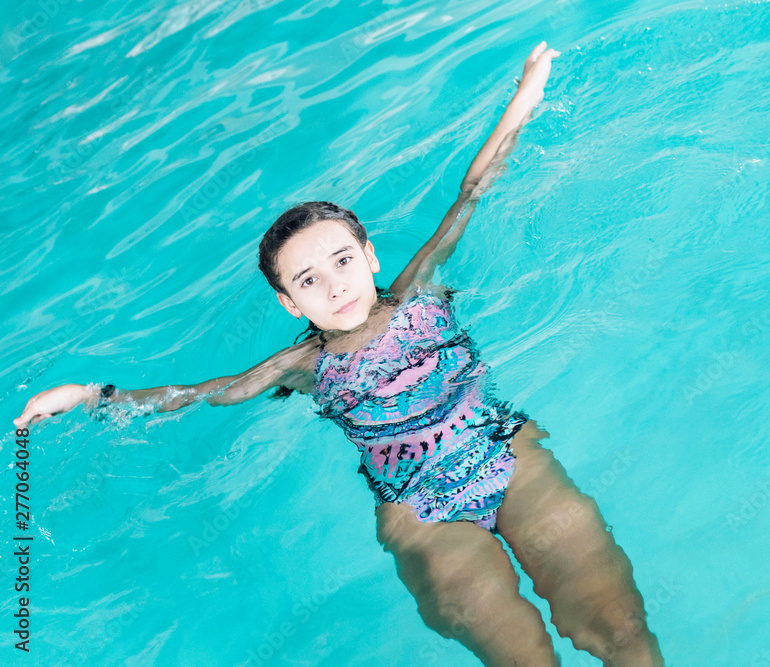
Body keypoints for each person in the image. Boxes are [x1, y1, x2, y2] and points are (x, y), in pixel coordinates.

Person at [14, 41, 665, 666]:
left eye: (343, 260)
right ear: (290, 304)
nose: (335, 285)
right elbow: (193, 394)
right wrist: (88, 398)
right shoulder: (298, 368)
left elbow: (472, 192)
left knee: (620, 628)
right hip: (419, 513)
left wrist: (525, 95)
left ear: (370, 256)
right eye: (307, 281)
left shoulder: (418, 290)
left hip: (503, 453)